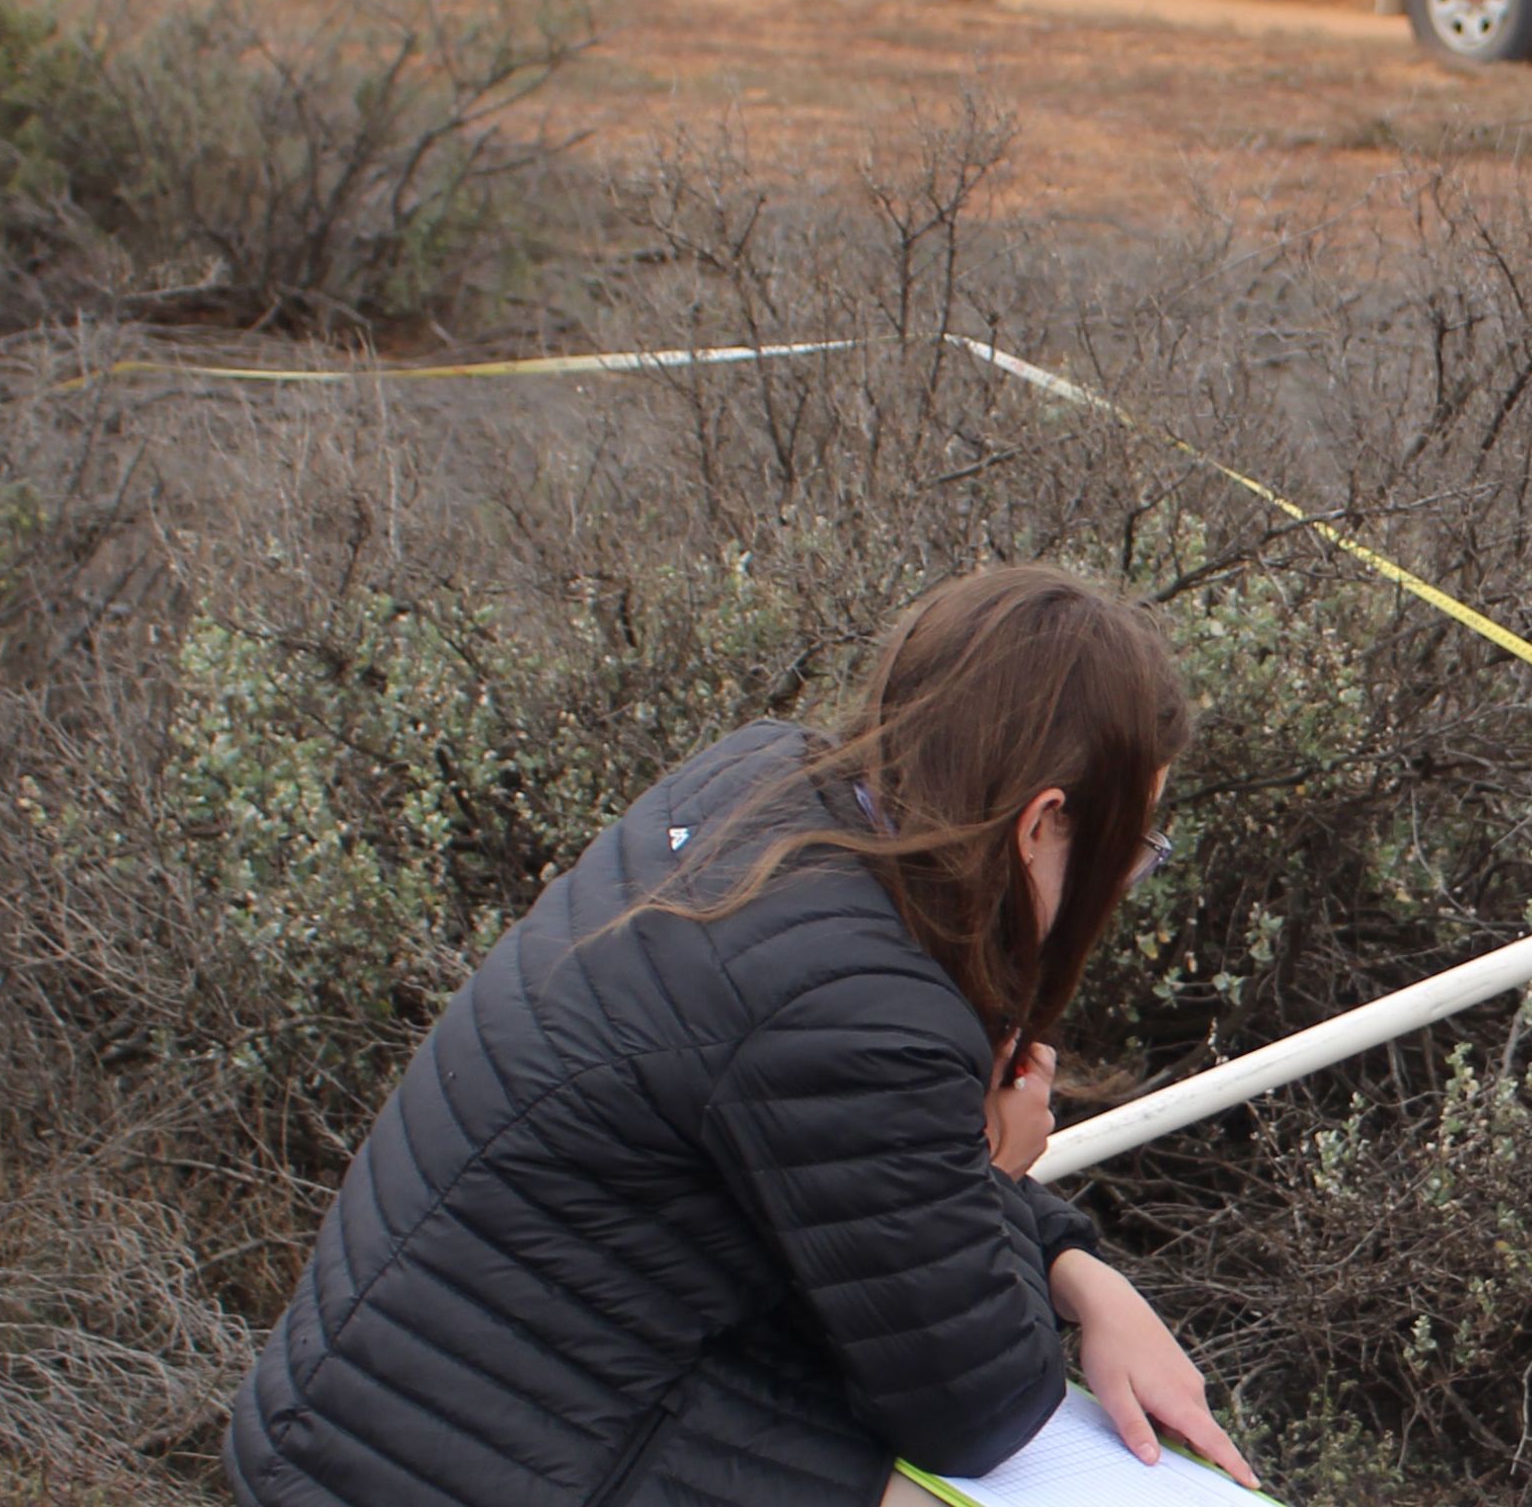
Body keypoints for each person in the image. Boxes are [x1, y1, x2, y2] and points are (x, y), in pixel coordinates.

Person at [228, 565, 1258, 1507]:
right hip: (452, 1461)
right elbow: (978, 1409)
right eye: (1135, 847)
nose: (1128, 881)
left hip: (399, 1389)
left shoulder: (759, 788)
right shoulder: (856, 1008)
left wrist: (1082, 1273)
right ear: (1039, 823)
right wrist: (1000, 1165)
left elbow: (858, 1164)